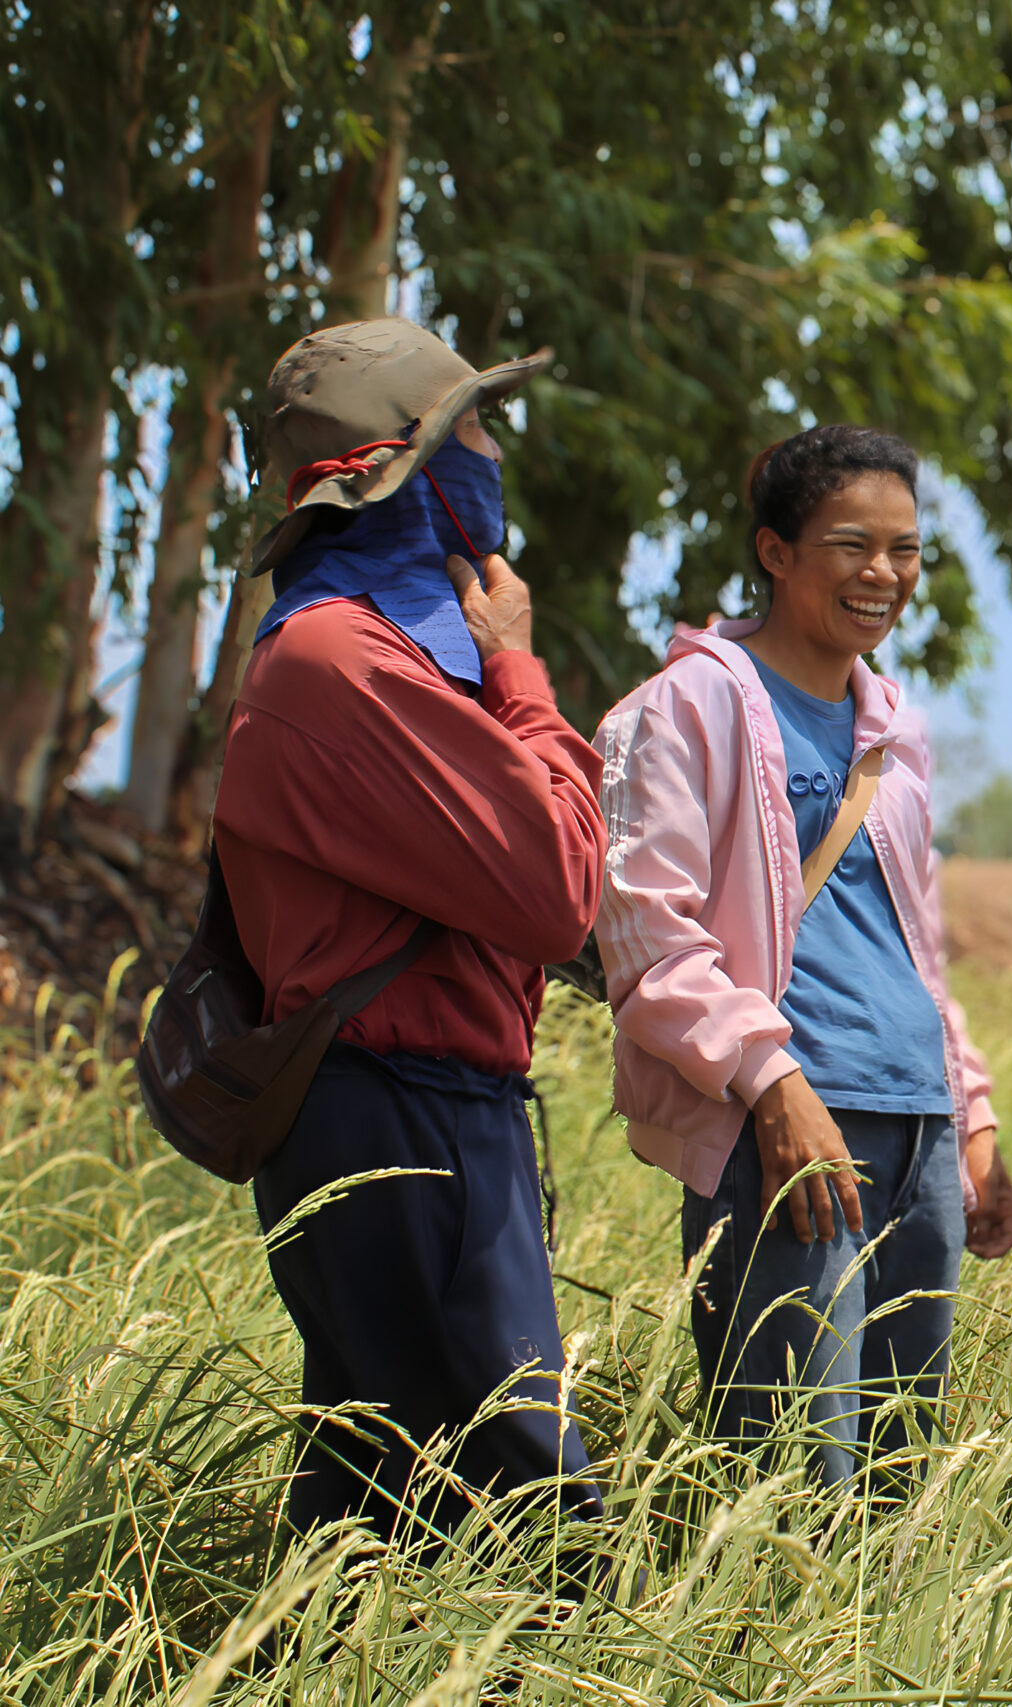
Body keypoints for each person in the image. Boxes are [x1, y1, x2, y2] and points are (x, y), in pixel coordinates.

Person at [215, 319, 603, 1541]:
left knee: (376, 1500)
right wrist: (520, 673)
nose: (494, 454)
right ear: (408, 468)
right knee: (526, 1506)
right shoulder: (342, 658)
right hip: (397, 1114)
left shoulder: (380, 653)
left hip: (432, 1110)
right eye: (473, 429)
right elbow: (555, 890)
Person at [594, 424, 1012, 1485]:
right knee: (790, 1474)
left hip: (916, 1127)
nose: (883, 575)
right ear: (775, 552)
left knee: (898, 1470)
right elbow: (648, 934)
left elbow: (915, 944)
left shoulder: (894, 732)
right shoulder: (685, 707)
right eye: (850, 545)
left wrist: (971, 1115)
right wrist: (773, 1085)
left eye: (905, 550)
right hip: (785, 1123)